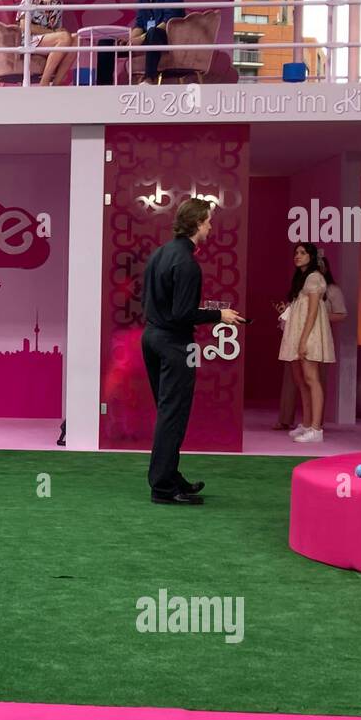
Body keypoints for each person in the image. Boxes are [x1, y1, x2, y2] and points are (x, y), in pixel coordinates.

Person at [141, 198, 243, 504]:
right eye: (209, 221)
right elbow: (183, 313)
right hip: (174, 344)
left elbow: (154, 302)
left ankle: (170, 476)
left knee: (167, 413)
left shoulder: (160, 254)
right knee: (173, 415)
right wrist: (219, 315)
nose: (211, 227)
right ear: (198, 223)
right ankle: (162, 487)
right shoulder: (187, 264)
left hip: (152, 338)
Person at [278, 242, 335, 444]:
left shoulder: (314, 278)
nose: (298, 256)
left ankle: (316, 428)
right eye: (296, 252)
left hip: (308, 333)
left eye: (302, 253)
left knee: (311, 379)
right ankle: (307, 422)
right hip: (298, 331)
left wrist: (303, 338)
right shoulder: (301, 279)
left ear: (311, 256)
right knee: (301, 379)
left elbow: (312, 311)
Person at [129, 0, 185, 84]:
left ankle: (149, 79)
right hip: (149, 37)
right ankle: (104, 84)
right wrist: (131, 39)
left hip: (168, 39)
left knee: (154, 33)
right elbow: (139, 24)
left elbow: (170, 22)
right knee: (107, 43)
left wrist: (143, 37)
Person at [16, 0, 75, 86]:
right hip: (30, 40)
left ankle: (57, 83)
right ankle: (44, 82)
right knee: (64, 37)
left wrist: (58, 32)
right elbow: (24, 26)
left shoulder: (58, 3)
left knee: (77, 38)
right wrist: (53, 32)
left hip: (49, 40)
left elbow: (57, 28)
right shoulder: (29, 0)